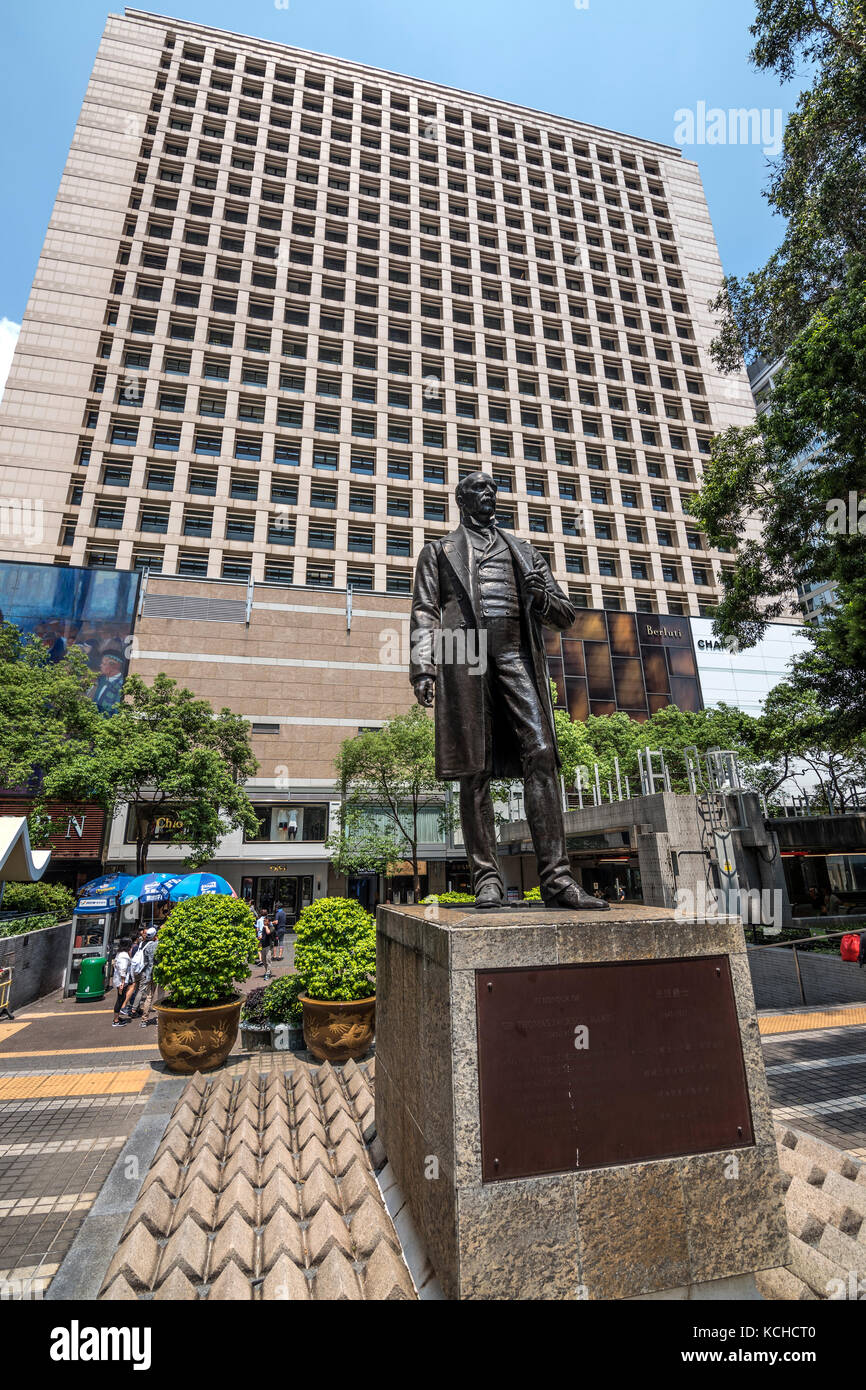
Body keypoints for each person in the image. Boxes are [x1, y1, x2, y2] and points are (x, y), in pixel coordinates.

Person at [410, 471, 607, 911]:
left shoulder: (523, 550)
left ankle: (556, 879)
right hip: (466, 656)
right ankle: (487, 879)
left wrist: (540, 598)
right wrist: (423, 668)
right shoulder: (439, 552)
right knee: (473, 768)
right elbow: (425, 610)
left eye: (492, 489)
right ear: (462, 500)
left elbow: (564, 615)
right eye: (479, 489)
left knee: (540, 752)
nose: (488, 495)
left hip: (517, 655)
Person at [137, 927, 159, 1028]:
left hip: (148, 973)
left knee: (148, 997)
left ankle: (144, 1019)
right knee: (161, 996)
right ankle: (159, 1018)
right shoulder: (157, 945)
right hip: (158, 972)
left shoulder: (144, 945)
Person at [111, 938, 135, 1027]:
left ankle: (116, 1018)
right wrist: (123, 982)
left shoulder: (119, 953)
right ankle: (116, 1020)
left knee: (121, 998)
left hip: (119, 980)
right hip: (121, 981)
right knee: (120, 999)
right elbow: (123, 969)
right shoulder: (124, 955)